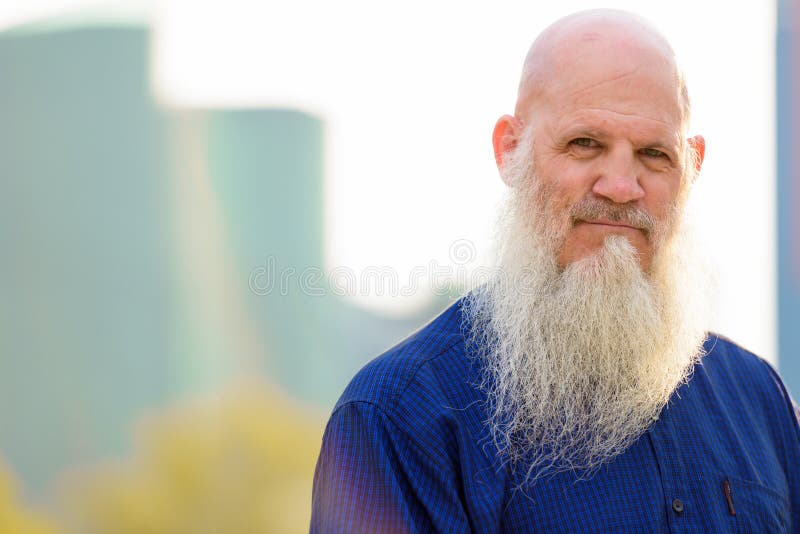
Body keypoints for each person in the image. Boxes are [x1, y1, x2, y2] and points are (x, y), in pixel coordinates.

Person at [310, 9, 800, 533]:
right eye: (584, 143)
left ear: (692, 167)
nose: (620, 185)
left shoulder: (758, 398)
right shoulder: (400, 417)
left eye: (654, 154)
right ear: (509, 149)